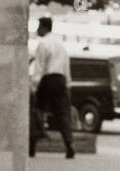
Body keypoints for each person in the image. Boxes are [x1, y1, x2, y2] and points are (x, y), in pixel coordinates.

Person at [31, 17, 75, 159]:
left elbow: (40, 66)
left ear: (44, 28)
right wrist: (67, 84)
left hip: (48, 79)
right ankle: (69, 145)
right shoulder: (60, 44)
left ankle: (32, 145)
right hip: (60, 80)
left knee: (37, 110)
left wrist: (34, 86)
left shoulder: (43, 43)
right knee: (62, 114)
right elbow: (66, 65)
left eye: (39, 27)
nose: (37, 30)